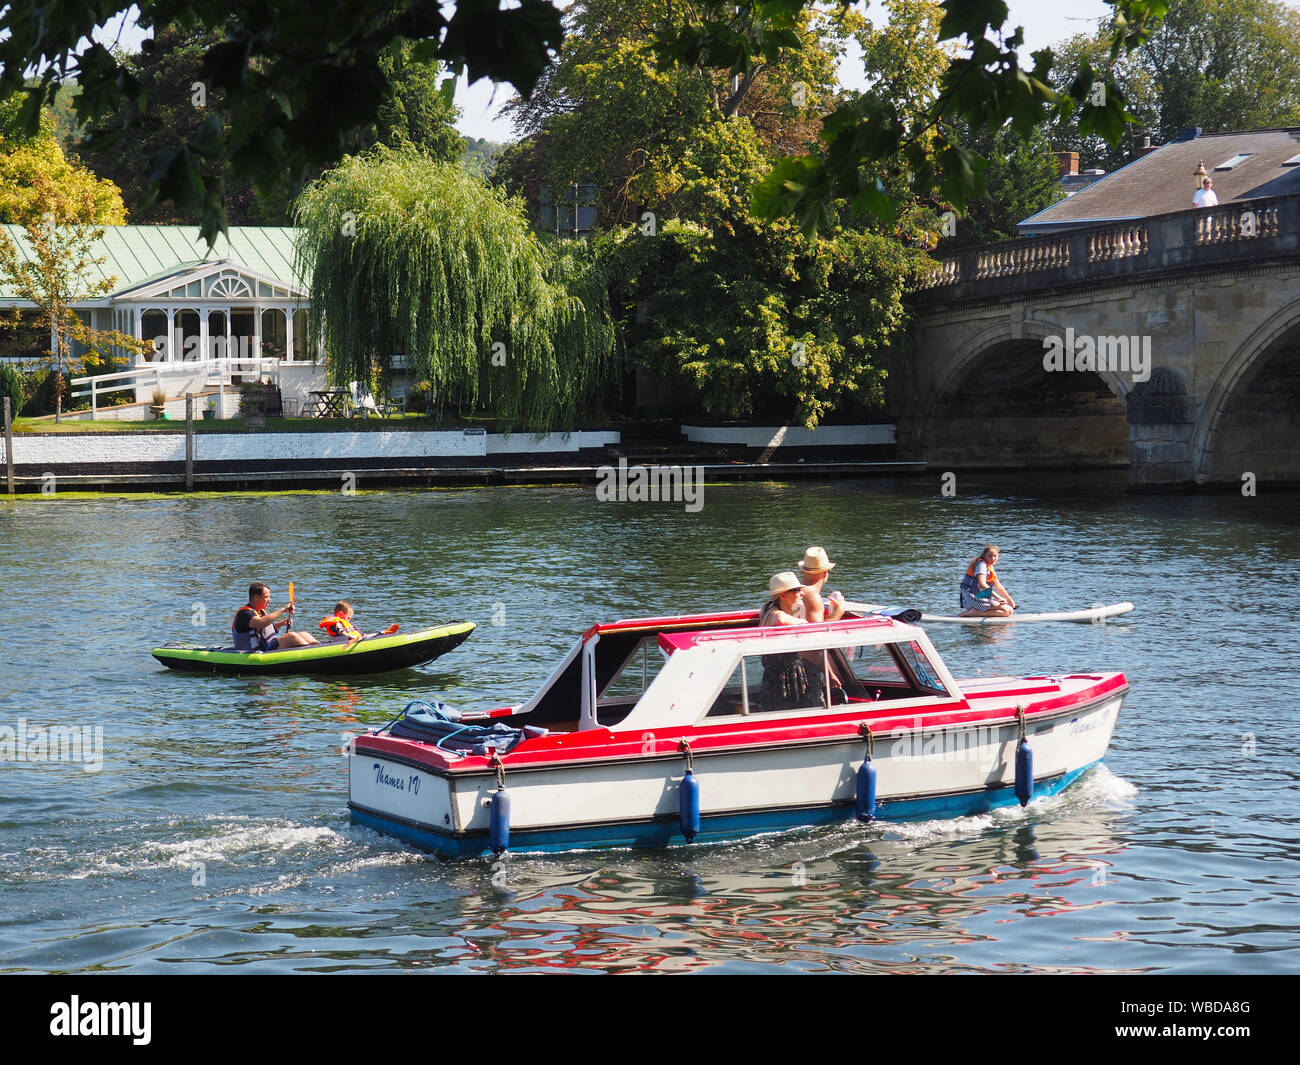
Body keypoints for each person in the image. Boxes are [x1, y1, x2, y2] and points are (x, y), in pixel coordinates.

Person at [758, 572, 826, 711]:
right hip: (787, 682)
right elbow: (780, 620)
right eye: (796, 590)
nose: (801, 593)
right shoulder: (777, 615)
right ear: (782, 595)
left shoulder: (767, 610)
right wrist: (802, 622)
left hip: (773, 681)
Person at [232, 582, 319, 651]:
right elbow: (260, 623)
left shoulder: (260, 611)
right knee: (291, 636)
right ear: (256, 598)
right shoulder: (245, 614)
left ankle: (321, 648)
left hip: (266, 645)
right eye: (266, 597)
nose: (269, 600)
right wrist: (283, 610)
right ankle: (314, 654)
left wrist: (281, 624)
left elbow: (265, 631)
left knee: (304, 634)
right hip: (255, 651)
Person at [958, 545, 1016, 617]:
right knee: (1007, 611)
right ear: (984, 556)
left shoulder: (989, 566)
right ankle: (974, 612)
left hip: (980, 598)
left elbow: (998, 586)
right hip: (971, 599)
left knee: (1009, 610)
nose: (992, 558)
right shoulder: (981, 565)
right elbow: (982, 584)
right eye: (989, 556)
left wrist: (1010, 601)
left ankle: (977, 611)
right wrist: (999, 598)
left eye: (995, 556)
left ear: (998, 556)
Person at [795, 546, 847, 623]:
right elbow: (817, 630)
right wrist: (838, 613)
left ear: (803, 571)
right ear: (825, 573)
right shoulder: (813, 597)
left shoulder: (794, 591)